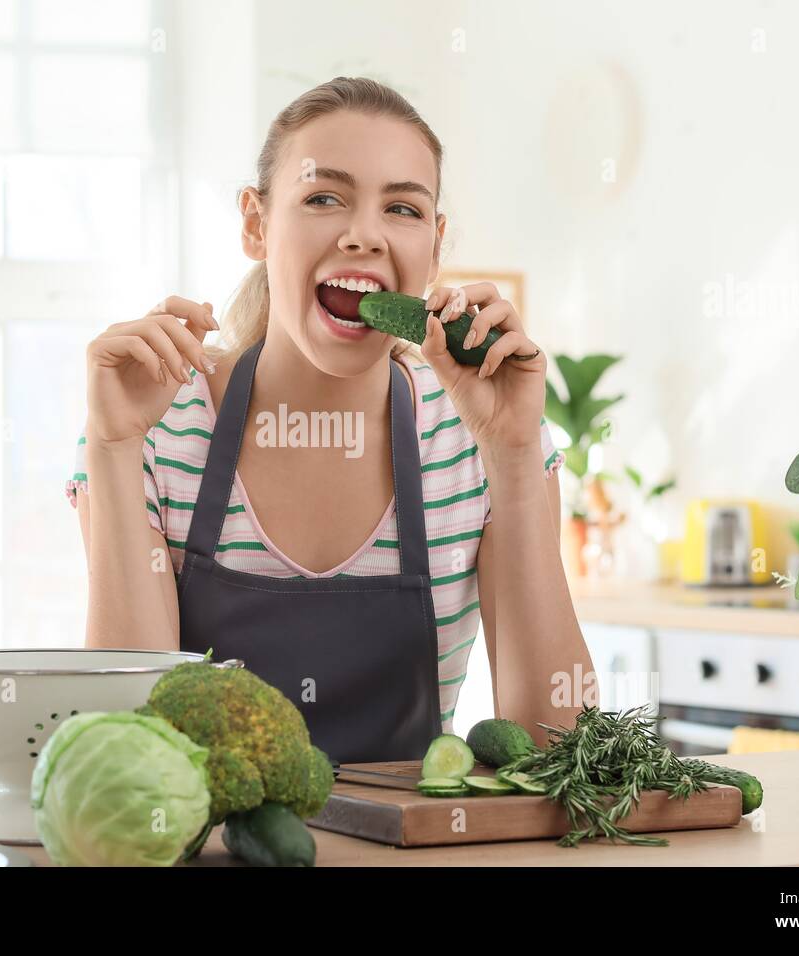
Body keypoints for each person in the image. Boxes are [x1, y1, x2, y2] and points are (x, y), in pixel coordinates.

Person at [70, 76, 594, 762]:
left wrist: (516, 453)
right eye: (323, 197)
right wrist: (112, 447)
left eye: (402, 209)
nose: (364, 235)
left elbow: (563, 759)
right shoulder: (158, 430)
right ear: (256, 225)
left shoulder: (471, 441)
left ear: (435, 248)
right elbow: (125, 758)